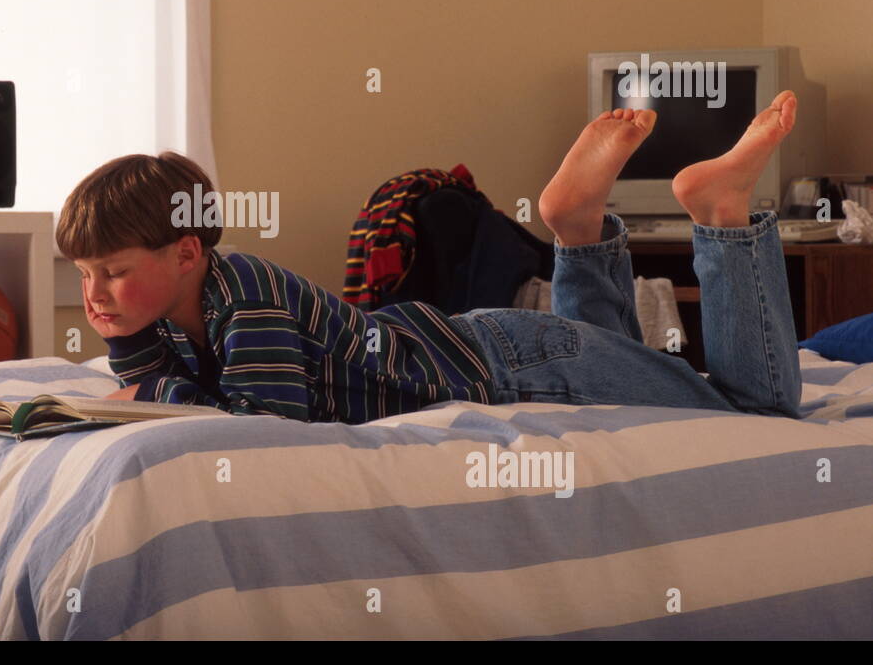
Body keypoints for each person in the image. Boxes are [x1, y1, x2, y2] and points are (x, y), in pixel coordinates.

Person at [55, 90, 803, 422]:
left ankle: (721, 210)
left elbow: (261, 425)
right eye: (87, 274)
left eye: (114, 272)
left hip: (511, 370)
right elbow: (157, 387)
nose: (96, 293)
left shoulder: (240, 297)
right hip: (504, 347)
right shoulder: (193, 300)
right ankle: (577, 227)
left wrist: (154, 394)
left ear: (187, 251)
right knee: (612, 367)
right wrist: (128, 343)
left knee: (752, 412)